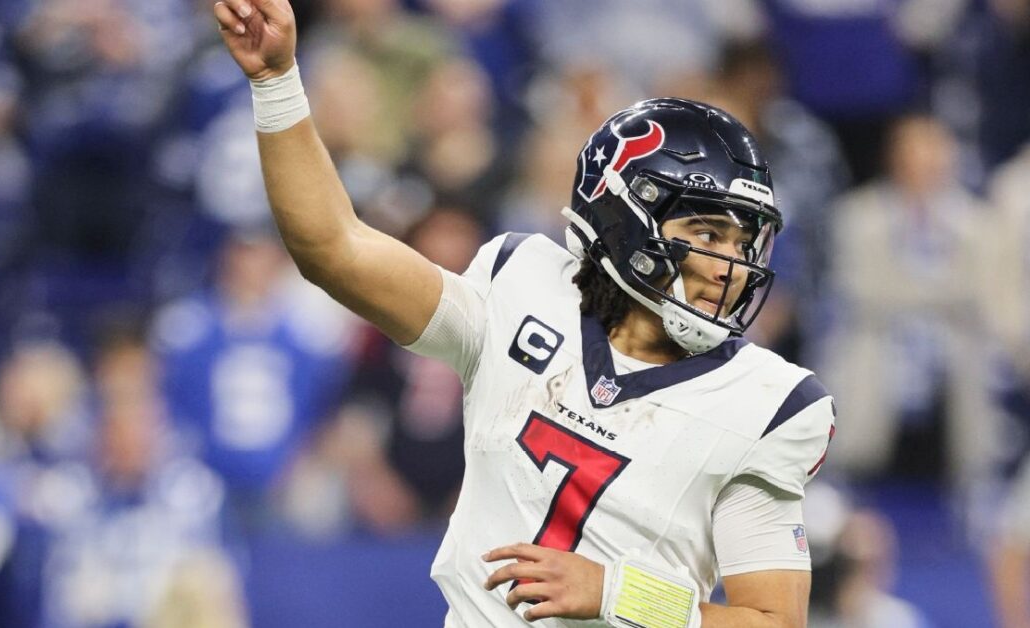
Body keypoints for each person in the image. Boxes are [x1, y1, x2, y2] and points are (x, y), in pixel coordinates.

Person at [213, 2, 835, 626]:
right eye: (705, 232)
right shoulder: (521, 285)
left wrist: (619, 595)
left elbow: (774, 623)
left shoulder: (765, 401)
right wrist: (276, 83)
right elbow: (334, 249)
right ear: (624, 217)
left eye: (741, 242)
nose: (729, 265)